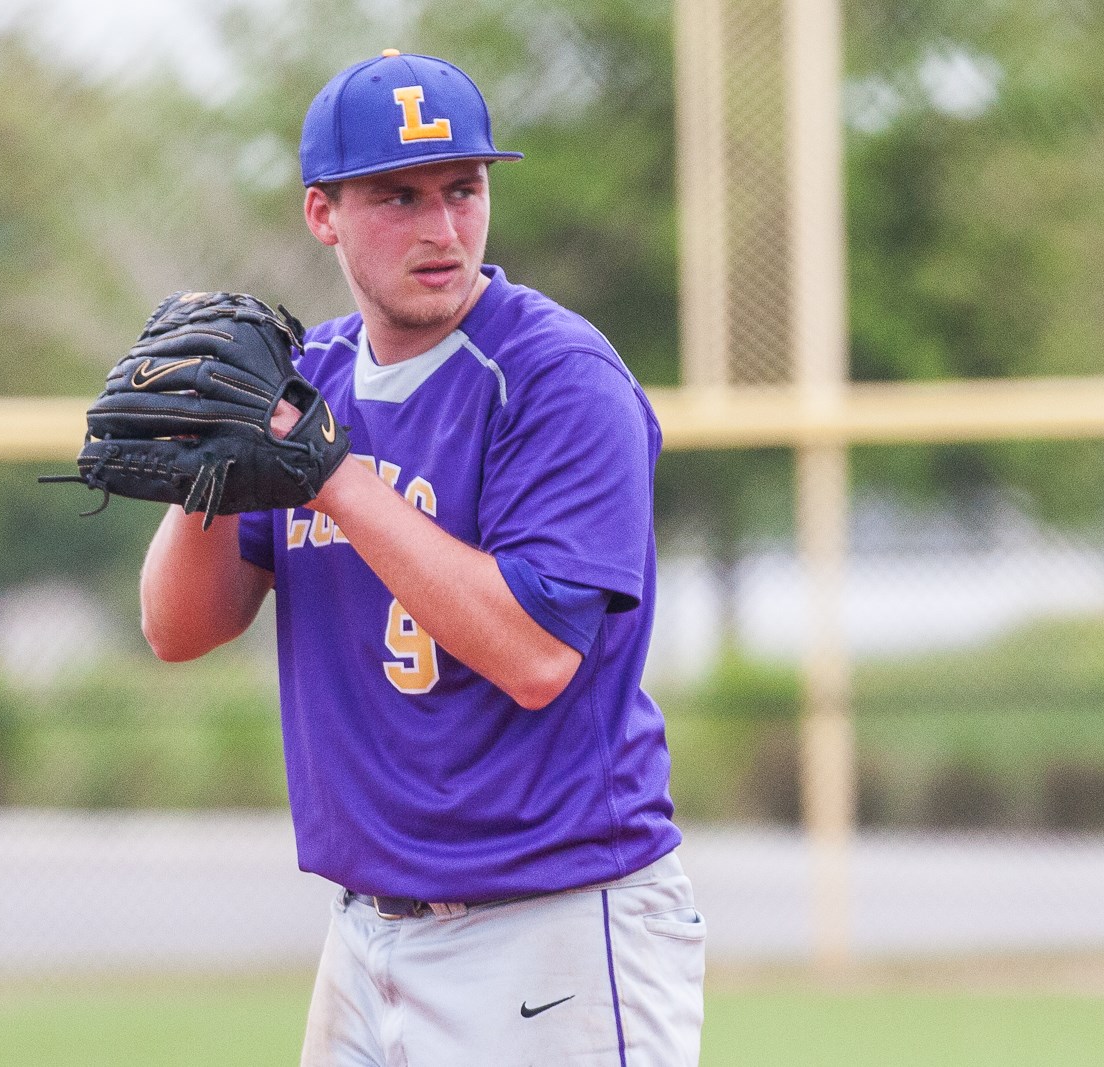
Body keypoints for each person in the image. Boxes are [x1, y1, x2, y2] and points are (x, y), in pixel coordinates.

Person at [138, 49, 703, 1066]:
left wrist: (328, 474)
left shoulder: (555, 377)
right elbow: (181, 628)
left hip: (553, 924)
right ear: (324, 213)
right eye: (397, 196)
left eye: (462, 188)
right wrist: (204, 476)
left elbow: (537, 656)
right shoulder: (308, 377)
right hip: (364, 931)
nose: (441, 228)